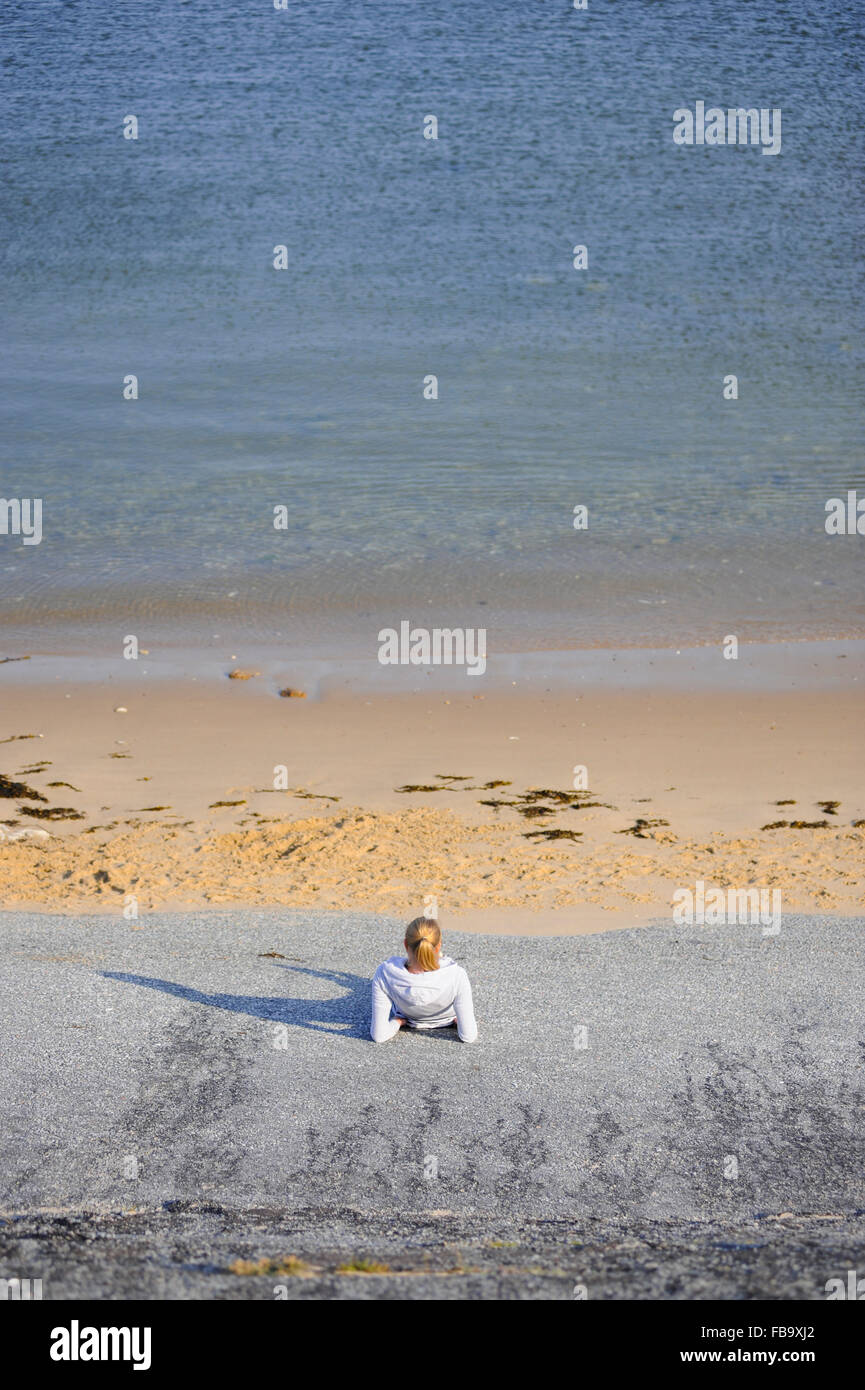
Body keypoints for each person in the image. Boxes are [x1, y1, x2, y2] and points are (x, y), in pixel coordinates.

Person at [370, 916, 478, 1043]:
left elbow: (379, 1035)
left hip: (407, 1016)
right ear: (438, 946)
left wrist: (396, 1021)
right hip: (448, 1019)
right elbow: (468, 1036)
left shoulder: (385, 973)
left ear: (406, 944)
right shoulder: (456, 975)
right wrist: (459, 1022)